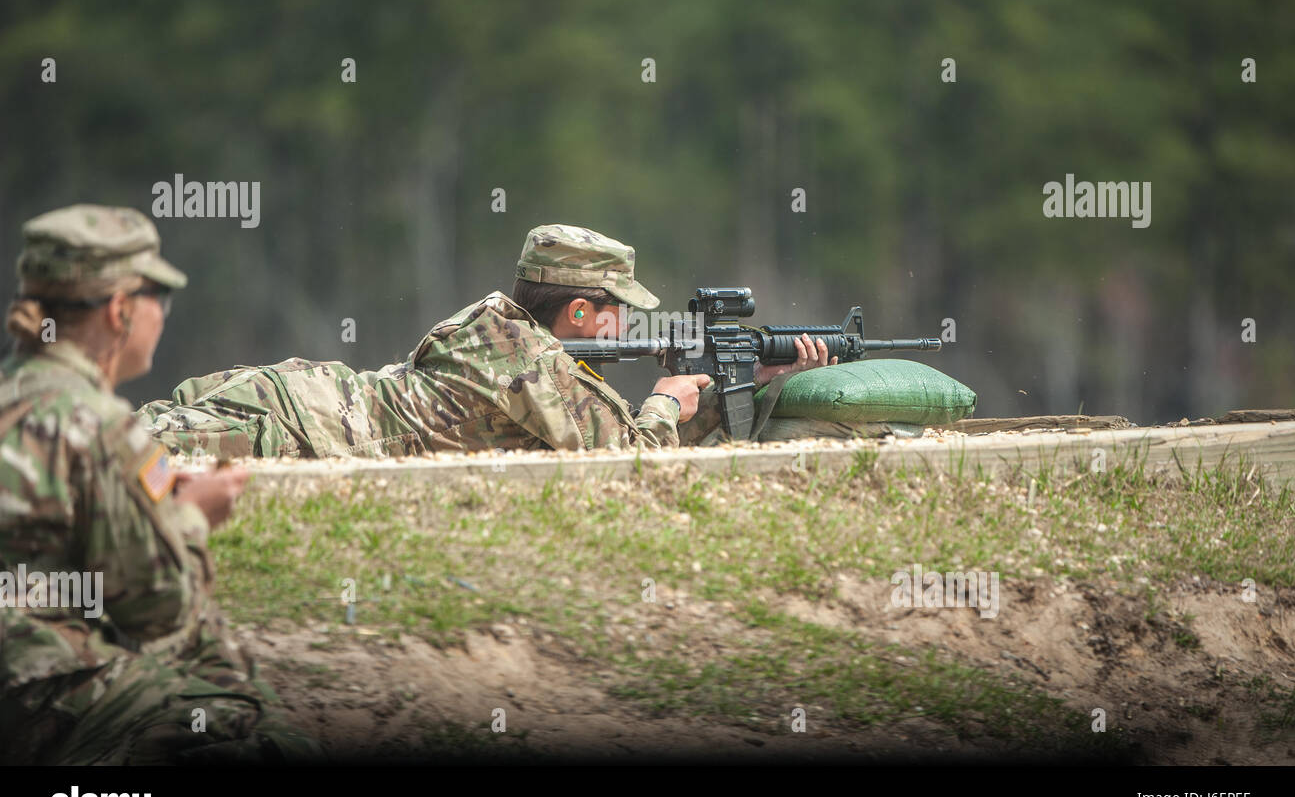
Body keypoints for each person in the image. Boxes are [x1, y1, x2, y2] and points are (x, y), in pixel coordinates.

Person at [0, 204, 320, 764]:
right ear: (120, 310)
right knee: (245, 718)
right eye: (158, 298)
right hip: (35, 694)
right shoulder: (96, 423)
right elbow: (158, 608)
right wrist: (193, 516)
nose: (162, 314)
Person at [140, 224, 837, 459]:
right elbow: (627, 457)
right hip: (296, 430)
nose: (625, 325)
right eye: (615, 310)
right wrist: (666, 400)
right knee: (104, 459)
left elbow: (596, 432)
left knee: (115, 441)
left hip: (289, 399)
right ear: (580, 311)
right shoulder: (529, 360)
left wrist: (753, 382)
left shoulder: (504, 326)